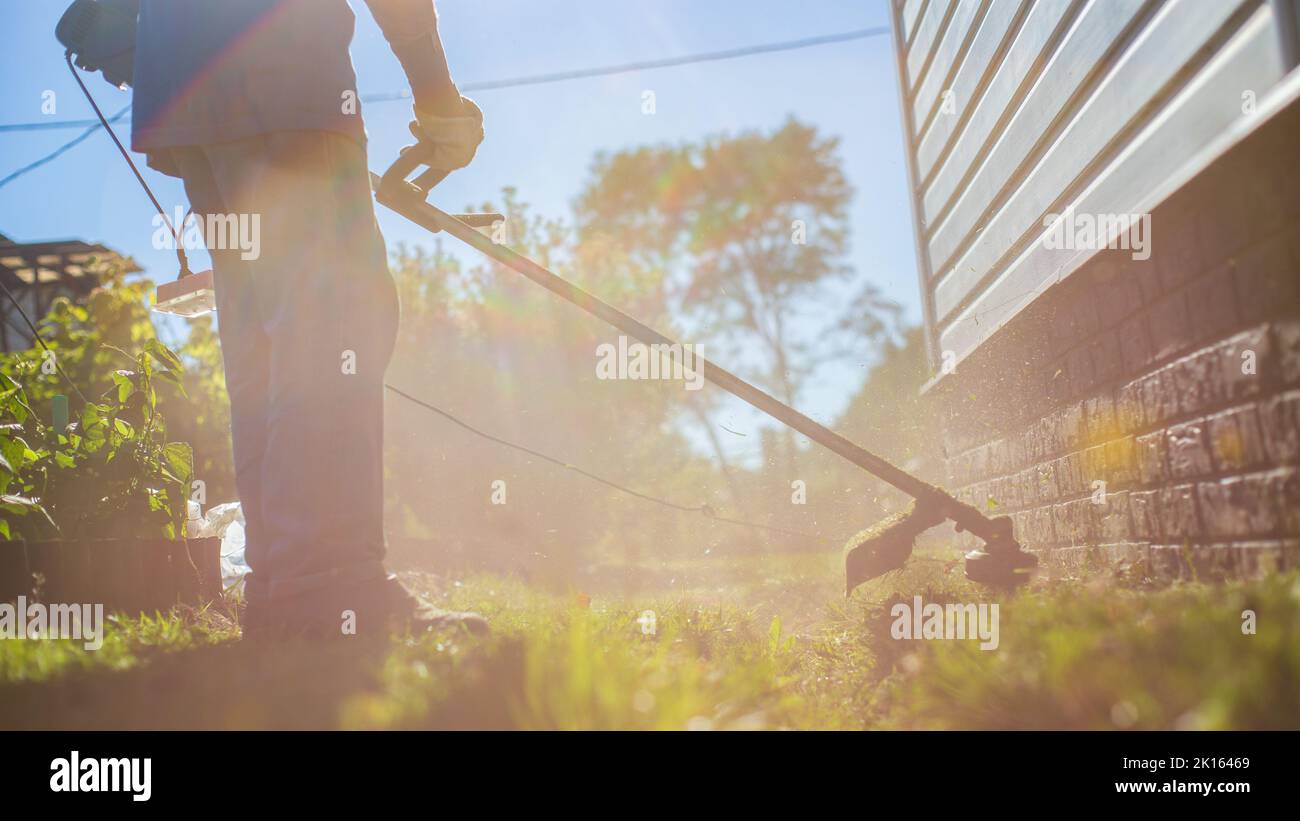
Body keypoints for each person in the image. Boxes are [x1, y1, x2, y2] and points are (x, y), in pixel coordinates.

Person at [130, 0, 487, 636]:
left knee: (265, 343)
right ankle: (333, 587)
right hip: (284, 76)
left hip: (190, 97)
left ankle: (285, 588)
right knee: (334, 324)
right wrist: (435, 93)